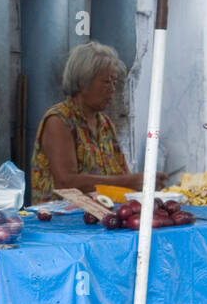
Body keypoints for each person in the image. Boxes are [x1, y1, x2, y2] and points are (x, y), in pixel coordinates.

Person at [31, 41, 142, 201]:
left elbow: (122, 173)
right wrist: (129, 181)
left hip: (102, 216)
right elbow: (65, 181)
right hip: (61, 221)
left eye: (114, 82)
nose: (112, 89)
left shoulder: (105, 124)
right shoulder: (59, 120)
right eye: (106, 82)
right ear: (83, 83)